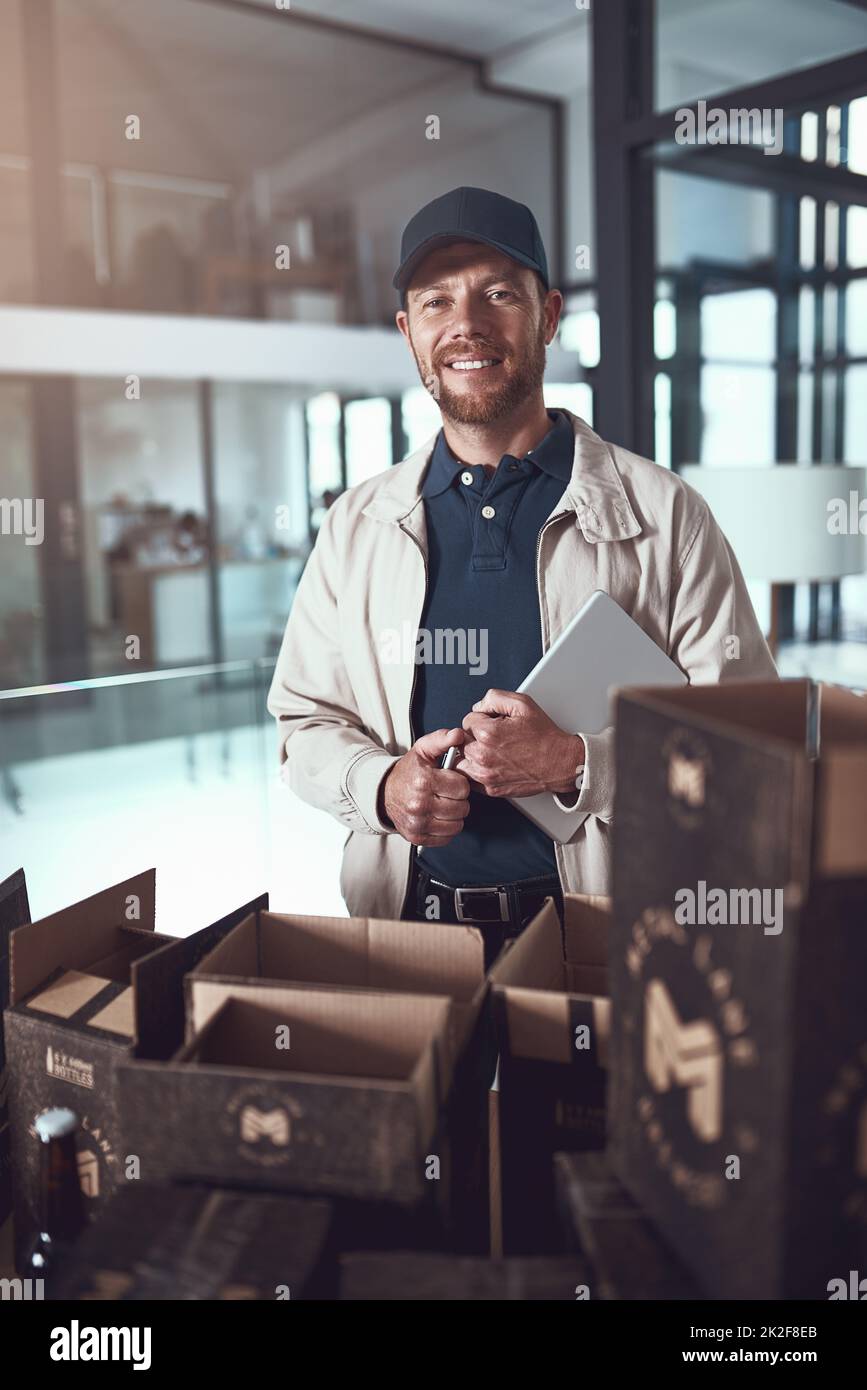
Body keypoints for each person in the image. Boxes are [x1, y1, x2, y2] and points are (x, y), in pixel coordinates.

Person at [267, 186, 776, 947]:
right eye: (436, 302)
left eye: (497, 293)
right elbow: (303, 723)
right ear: (409, 332)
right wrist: (379, 785)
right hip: (410, 935)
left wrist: (577, 763)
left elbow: (748, 751)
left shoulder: (665, 514)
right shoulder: (355, 526)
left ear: (548, 315)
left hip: (605, 938)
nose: (465, 325)